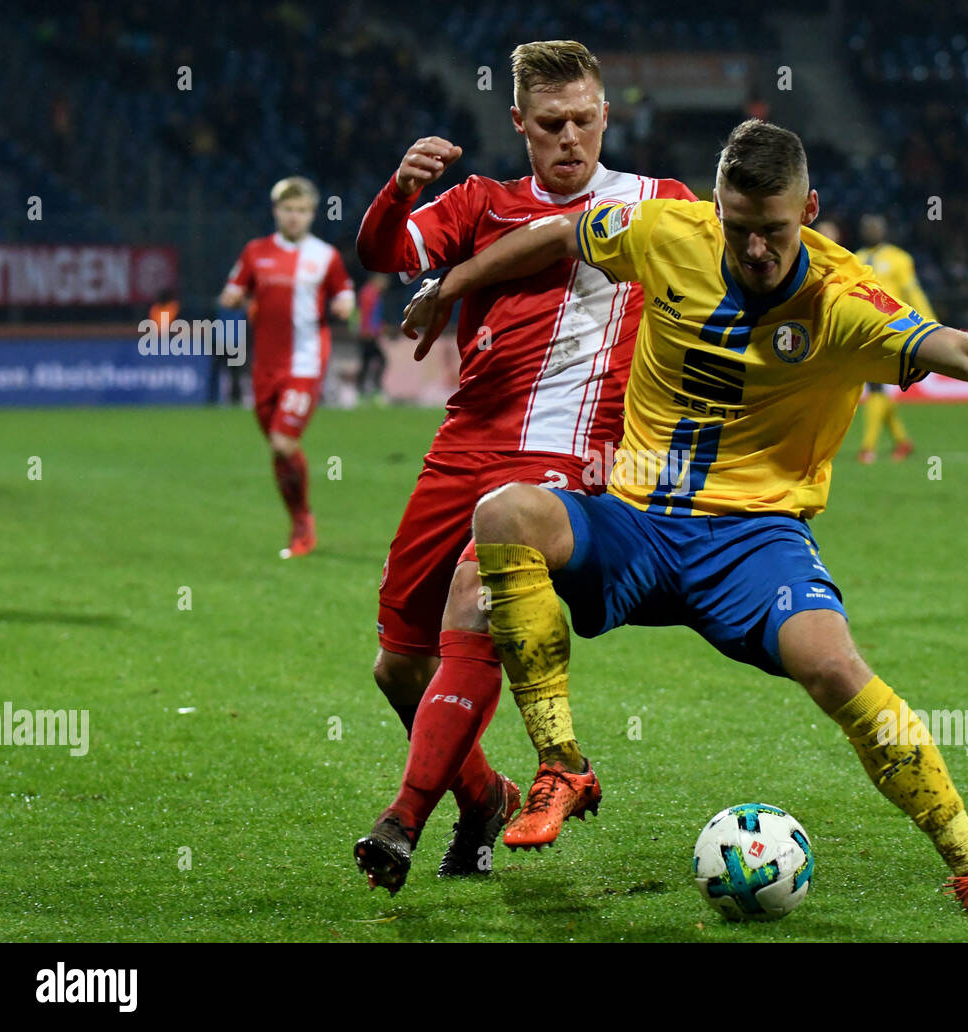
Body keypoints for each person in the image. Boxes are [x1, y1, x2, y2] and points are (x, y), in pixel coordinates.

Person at [404, 119, 968, 919]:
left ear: (811, 210)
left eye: (774, 231)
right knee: (506, 512)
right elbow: (559, 234)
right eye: (738, 226)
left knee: (834, 667)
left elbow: (966, 352)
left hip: (755, 543)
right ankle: (561, 762)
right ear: (717, 207)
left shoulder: (845, 301)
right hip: (639, 523)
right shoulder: (665, 231)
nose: (755, 249)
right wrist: (451, 285)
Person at [351, 40, 696, 894]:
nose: (570, 138)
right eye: (550, 124)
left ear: (607, 115)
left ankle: (401, 818)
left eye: (584, 119)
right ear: (519, 124)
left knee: (477, 590)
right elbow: (386, 255)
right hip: (462, 444)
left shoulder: (659, 202)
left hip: (570, 458)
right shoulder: (479, 201)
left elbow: (740, 244)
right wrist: (398, 193)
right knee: (397, 666)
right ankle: (484, 798)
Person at [220, 176, 355, 558]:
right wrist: (231, 296)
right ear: (276, 211)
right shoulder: (255, 252)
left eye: (301, 211)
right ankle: (298, 516)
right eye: (287, 210)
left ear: (311, 214)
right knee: (278, 450)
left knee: (283, 442)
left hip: (306, 364)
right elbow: (235, 288)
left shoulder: (325, 256)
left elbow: (344, 290)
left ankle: (303, 522)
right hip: (264, 367)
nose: (294, 217)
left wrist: (345, 304)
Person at [849, 213, 938, 463]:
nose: (871, 230)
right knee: (876, 386)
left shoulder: (899, 259)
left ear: (885, 229)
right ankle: (902, 442)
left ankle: (867, 448)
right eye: (867, 226)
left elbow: (912, 291)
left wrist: (931, 323)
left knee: (875, 386)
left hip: (895, 327)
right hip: (865, 329)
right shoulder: (855, 258)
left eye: (876, 226)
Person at [355, 272, 390, 404]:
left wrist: (380, 326)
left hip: (369, 333)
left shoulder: (372, 293)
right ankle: (371, 390)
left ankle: (363, 391)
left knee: (368, 362)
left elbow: (374, 314)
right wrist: (368, 330)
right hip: (367, 334)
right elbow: (366, 313)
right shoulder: (369, 293)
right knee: (379, 361)